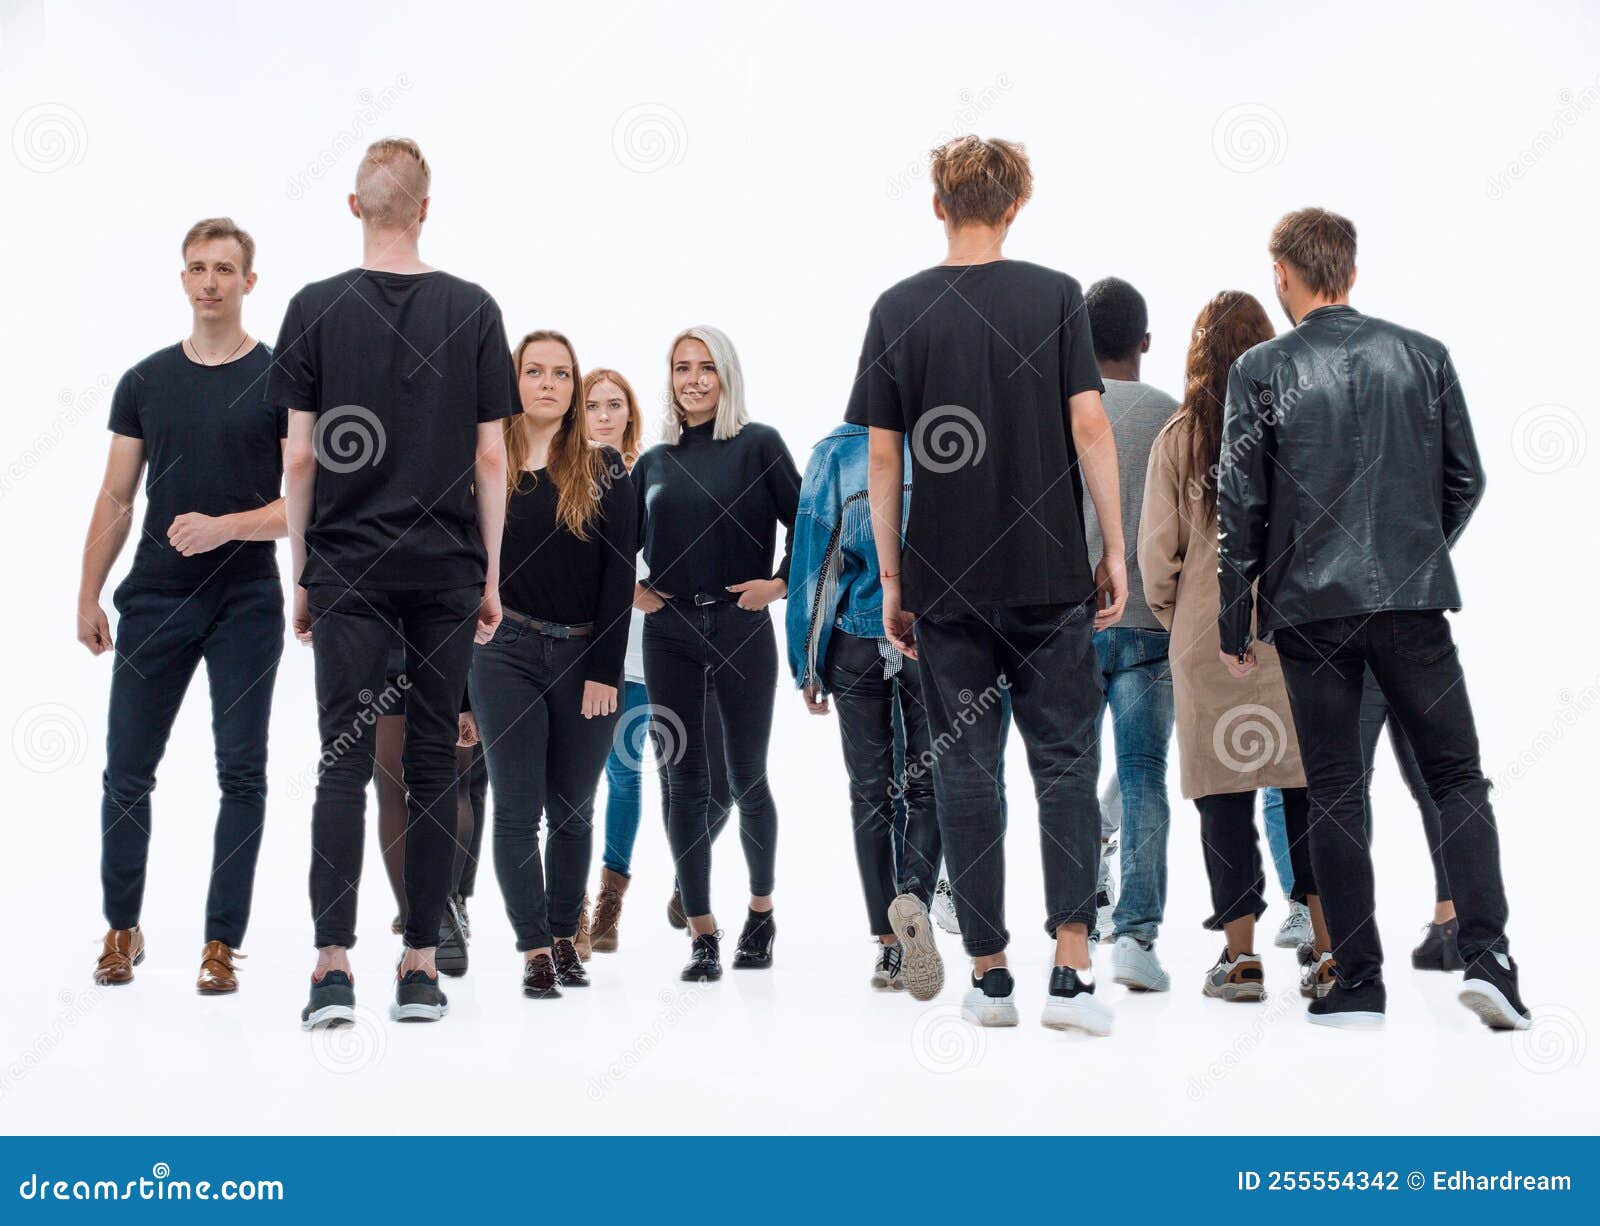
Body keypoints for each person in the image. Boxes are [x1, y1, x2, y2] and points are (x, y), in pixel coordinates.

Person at [1216, 207, 1529, 1030]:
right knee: (1458, 776)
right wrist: (1414, 548)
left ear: (1285, 274)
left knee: (1333, 794)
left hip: (1311, 614)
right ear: (1348, 270)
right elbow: (1466, 480)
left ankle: (1358, 981)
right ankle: (1490, 958)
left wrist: (1232, 611)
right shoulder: (1424, 357)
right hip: (1414, 601)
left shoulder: (1259, 368)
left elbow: (1240, 502)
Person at [849, 135, 1128, 1036]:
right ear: (1017, 206)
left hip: (944, 579)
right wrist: (1114, 550)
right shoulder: (1054, 296)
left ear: (939, 204)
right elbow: (1091, 429)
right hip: (1050, 576)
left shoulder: (898, 308)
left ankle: (991, 975)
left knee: (964, 775)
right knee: (1066, 768)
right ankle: (1074, 973)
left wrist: (892, 577)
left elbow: (882, 456)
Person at [270, 137, 518, 1028]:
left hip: (347, 566)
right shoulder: (474, 308)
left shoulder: (312, 308)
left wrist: (303, 571)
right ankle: (419, 967)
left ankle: (332, 969)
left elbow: (299, 456)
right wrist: (488, 572)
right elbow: (492, 454)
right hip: (447, 567)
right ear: (425, 207)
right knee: (429, 768)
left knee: (342, 763)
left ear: (353, 207)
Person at [79, 218, 286, 995]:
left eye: (224, 269)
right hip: (155, 599)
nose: (209, 281)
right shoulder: (145, 381)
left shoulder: (280, 378)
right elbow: (114, 495)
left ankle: (220, 944)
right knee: (127, 772)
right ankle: (121, 930)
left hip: (245, 602)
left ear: (248, 282)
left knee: (242, 772)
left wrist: (227, 528)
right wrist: (86, 592)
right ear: (182, 279)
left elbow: (305, 503)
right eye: (197, 268)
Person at [1140, 291, 1331, 1002]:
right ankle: (1328, 949)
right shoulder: (1302, 425)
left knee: (1221, 797)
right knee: (1306, 789)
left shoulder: (1179, 437)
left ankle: (1241, 959)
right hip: (1292, 634)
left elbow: (1157, 558)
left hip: (1205, 636)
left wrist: (1182, 621)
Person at [470, 331, 636, 999]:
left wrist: (604, 668)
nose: (547, 383)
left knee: (573, 809)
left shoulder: (605, 470)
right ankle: (535, 947)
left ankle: (568, 937)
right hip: (502, 652)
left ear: (573, 388)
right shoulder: (485, 462)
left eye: (561, 374)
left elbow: (618, 578)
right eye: (533, 371)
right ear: (514, 381)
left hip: (582, 655)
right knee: (516, 808)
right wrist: (459, 695)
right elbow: (464, 577)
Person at [632, 326, 801, 982]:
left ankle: (760, 910)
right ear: (670, 379)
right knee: (682, 779)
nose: (693, 379)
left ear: (726, 375)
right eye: (681, 368)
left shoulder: (759, 446)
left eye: (706, 367)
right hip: (670, 632)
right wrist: (633, 591)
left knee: (746, 777)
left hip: (739, 628)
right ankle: (702, 930)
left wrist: (780, 584)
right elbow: (608, 548)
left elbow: (810, 524)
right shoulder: (652, 462)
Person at [787, 423, 944, 1000]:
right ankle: (915, 906)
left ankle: (888, 942)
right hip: (935, 638)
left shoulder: (836, 452)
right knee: (929, 785)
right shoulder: (948, 439)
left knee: (870, 792)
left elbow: (813, 562)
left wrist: (806, 659)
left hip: (854, 638)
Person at [582, 368, 733, 952]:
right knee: (621, 777)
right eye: (592, 405)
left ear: (630, 415)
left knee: (714, 786)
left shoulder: (654, 472)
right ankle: (607, 906)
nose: (601, 415)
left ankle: (686, 881)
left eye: (613, 405)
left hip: (678, 650)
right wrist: (626, 588)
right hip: (615, 664)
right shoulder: (569, 479)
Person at [1080, 277, 1179, 993]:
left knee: (1070, 776)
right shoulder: (1177, 420)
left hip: (1071, 626)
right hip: (1152, 622)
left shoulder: (1064, 416)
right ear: (1145, 343)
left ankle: (1081, 916)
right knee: (1144, 777)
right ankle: (1137, 941)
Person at [372, 641, 484, 976]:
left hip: (384, 639)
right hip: (449, 638)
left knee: (391, 787)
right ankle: (444, 903)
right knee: (456, 784)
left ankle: (415, 917)